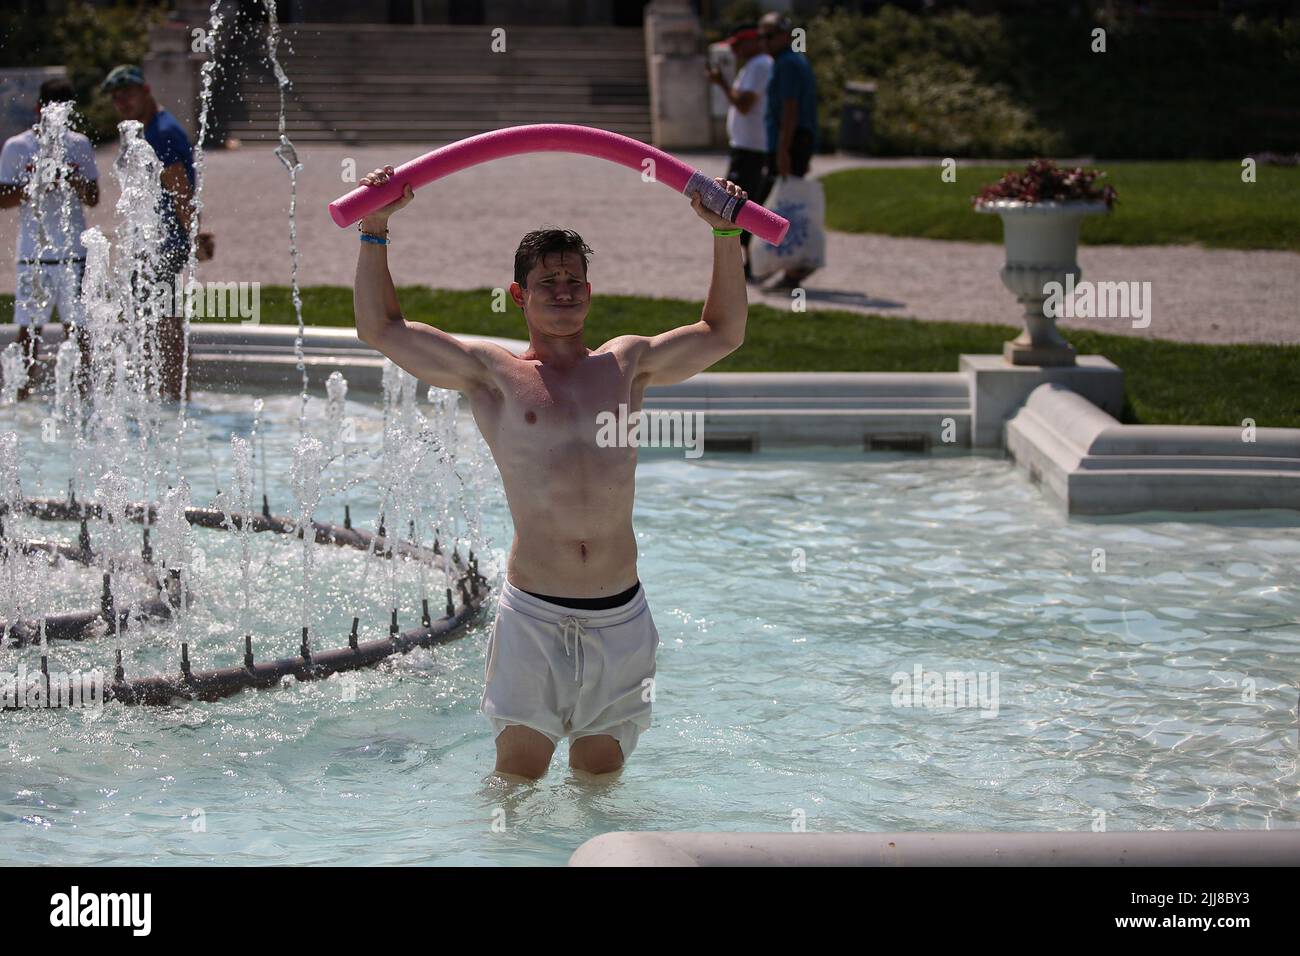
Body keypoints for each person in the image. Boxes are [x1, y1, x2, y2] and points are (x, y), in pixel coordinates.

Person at [352, 165, 750, 781]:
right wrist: (375, 228)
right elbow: (382, 329)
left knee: (599, 777)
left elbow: (723, 331)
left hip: (619, 612)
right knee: (518, 774)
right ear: (519, 294)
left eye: (574, 280)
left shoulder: (627, 365)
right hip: (533, 612)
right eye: (547, 281)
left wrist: (726, 237)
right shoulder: (494, 375)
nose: (563, 291)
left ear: (590, 291)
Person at [101, 64, 214, 400]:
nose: (122, 102)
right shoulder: (151, 128)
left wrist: (194, 236)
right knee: (157, 317)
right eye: (116, 98)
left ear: (146, 90)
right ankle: (168, 390)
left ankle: (172, 393)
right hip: (157, 239)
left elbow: (180, 189)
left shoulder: (161, 132)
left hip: (164, 242)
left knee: (162, 320)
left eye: (128, 94)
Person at [0, 78, 99, 401]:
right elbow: (3, 198)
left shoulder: (79, 144)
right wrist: (35, 185)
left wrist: (72, 180)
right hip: (34, 252)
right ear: (38, 109)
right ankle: (23, 393)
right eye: (51, 110)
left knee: (79, 328)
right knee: (29, 328)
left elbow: (94, 197)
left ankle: (82, 394)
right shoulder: (18, 146)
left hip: (74, 253)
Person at [707, 22, 773, 282]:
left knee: (738, 204)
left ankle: (746, 262)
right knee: (739, 201)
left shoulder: (759, 65)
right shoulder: (754, 65)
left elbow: (744, 105)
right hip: (747, 146)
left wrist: (722, 83)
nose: (735, 51)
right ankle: (745, 261)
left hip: (751, 148)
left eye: (739, 44)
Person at [759, 11, 820, 289]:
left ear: (785, 35)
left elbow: (790, 108)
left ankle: (795, 263)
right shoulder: (792, 61)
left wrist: (783, 149)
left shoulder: (787, 64)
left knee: (786, 201)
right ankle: (791, 262)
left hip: (791, 141)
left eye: (770, 36)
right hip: (796, 140)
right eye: (762, 37)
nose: (765, 42)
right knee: (788, 197)